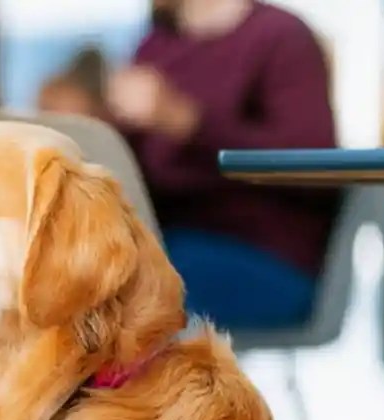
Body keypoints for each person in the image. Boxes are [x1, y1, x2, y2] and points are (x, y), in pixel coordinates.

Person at [106, 0, 339, 329]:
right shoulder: (155, 46)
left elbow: (313, 168)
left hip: (263, 253)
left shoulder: (282, 37)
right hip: (170, 245)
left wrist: (188, 122)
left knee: (134, 296)